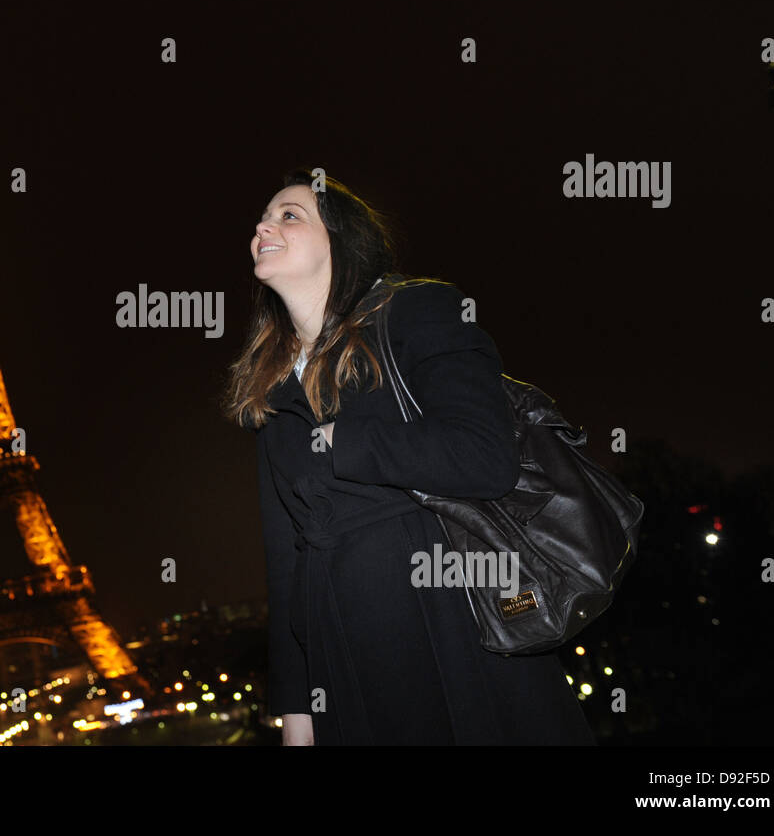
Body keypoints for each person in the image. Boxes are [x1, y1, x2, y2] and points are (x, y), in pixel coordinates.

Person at [222, 167, 596, 746]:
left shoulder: (418, 311)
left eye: (288, 214)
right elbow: (285, 561)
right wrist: (296, 711)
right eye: (262, 217)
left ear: (340, 240)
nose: (262, 225)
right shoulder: (270, 390)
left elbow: (483, 456)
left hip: (447, 614)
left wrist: (345, 443)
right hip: (340, 643)